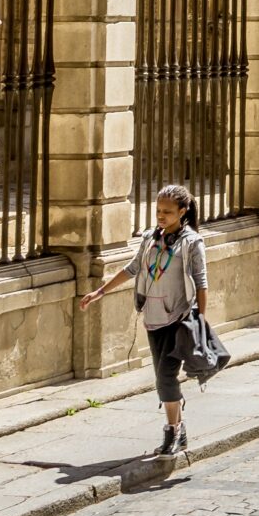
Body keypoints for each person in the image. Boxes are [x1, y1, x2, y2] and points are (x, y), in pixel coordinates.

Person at [81, 181, 209, 460]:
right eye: (158, 211)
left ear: (183, 212)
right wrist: (100, 291)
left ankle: (172, 432)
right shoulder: (150, 238)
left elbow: (201, 283)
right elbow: (132, 268)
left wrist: (200, 321)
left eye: (167, 212)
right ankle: (179, 429)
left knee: (165, 376)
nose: (161, 216)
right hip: (153, 318)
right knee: (163, 377)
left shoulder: (192, 243)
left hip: (179, 319)